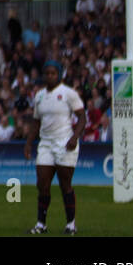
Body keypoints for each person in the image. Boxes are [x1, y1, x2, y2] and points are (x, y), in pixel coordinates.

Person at [24, 60, 85, 235]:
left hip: (65, 142)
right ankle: (41, 224)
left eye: (53, 73)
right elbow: (36, 122)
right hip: (46, 144)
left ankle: (71, 224)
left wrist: (74, 137)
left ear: (59, 75)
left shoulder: (69, 94)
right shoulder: (39, 96)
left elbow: (82, 117)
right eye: (47, 73)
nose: (50, 76)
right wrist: (28, 143)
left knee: (65, 184)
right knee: (42, 184)